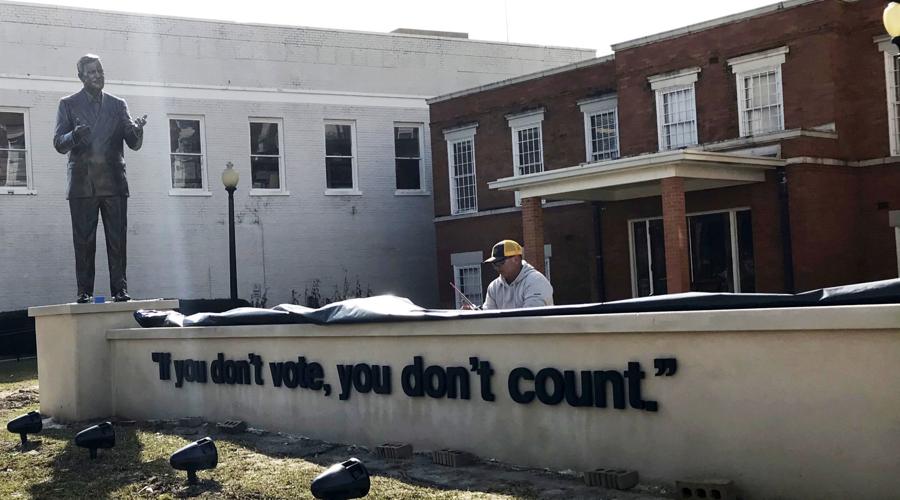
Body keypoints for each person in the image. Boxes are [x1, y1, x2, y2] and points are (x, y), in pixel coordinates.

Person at [53, 54, 147, 303]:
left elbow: (133, 142)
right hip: (83, 185)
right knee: (84, 243)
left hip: (114, 183)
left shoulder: (118, 105)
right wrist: (74, 135)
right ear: (81, 77)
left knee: (118, 240)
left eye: (100, 71)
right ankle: (84, 290)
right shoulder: (68, 104)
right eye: (92, 72)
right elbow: (58, 143)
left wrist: (137, 131)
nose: (98, 76)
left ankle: (120, 289)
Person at [476, 239, 553, 309]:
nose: (497, 268)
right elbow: (489, 318)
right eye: (494, 264)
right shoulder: (494, 287)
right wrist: (475, 313)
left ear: (516, 259)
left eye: (500, 262)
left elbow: (531, 317)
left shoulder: (535, 281)